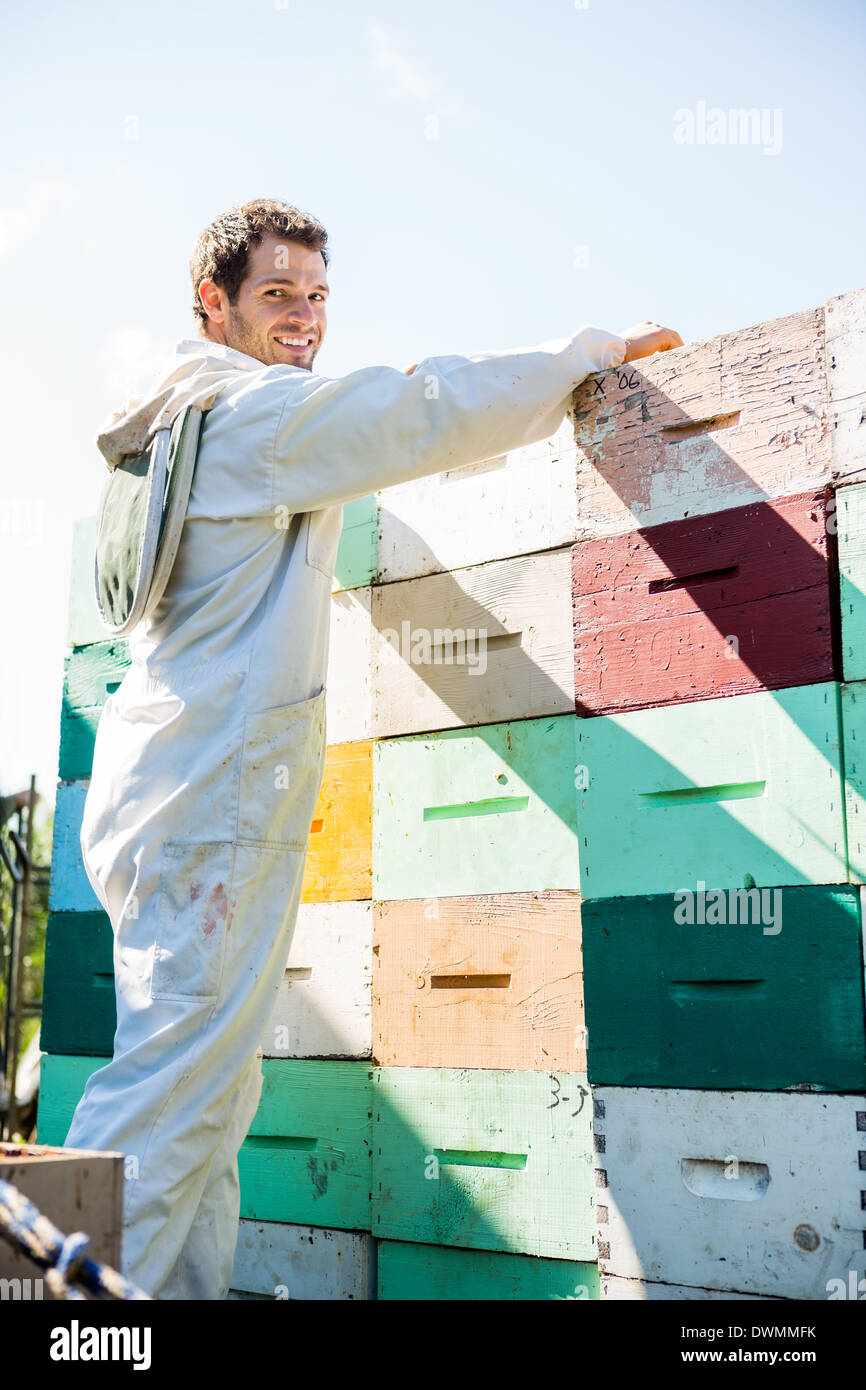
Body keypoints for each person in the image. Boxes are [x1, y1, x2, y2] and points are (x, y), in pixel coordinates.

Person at [64, 197, 683, 1299]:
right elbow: (417, 411)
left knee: (202, 1096)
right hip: (210, 795)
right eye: (275, 296)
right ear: (213, 303)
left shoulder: (181, 421)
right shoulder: (254, 416)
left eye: (315, 298)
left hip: (165, 785)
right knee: (170, 1096)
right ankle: (82, 1327)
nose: (302, 320)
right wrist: (583, 355)